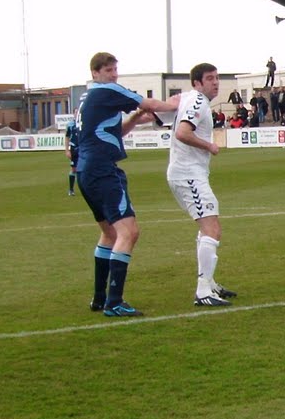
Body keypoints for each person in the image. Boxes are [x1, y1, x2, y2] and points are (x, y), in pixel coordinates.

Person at [75, 52, 181, 318]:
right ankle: (114, 301)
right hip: (102, 169)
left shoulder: (88, 98)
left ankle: (100, 298)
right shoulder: (106, 91)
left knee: (110, 234)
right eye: (109, 70)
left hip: (87, 170)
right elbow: (149, 102)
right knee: (129, 232)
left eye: (115, 70)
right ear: (96, 73)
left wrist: (133, 119)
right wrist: (172, 103)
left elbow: (113, 131)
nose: (114, 75)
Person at [168, 62, 238, 307]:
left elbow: (164, 117)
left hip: (189, 172)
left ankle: (209, 283)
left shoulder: (191, 98)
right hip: (188, 173)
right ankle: (203, 290)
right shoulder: (196, 101)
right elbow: (182, 133)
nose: (216, 82)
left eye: (217, 77)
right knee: (212, 228)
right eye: (210, 78)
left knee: (207, 225)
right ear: (197, 83)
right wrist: (209, 146)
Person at [65, 117, 81, 195]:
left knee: (85, 168)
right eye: (75, 112)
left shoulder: (84, 122)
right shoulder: (70, 125)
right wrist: (67, 150)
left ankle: (86, 188)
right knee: (74, 169)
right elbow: (67, 137)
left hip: (83, 148)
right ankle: (71, 190)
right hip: (74, 148)